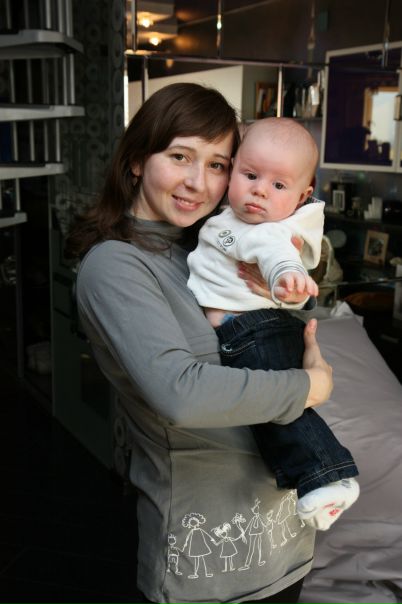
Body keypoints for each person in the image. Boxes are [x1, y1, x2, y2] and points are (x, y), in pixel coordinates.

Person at [65, 83, 333, 604]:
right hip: (207, 565)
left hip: (285, 539)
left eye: (217, 165)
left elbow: (295, 271)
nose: (198, 182)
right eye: (180, 157)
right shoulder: (116, 265)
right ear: (138, 159)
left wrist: (289, 287)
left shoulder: (208, 250)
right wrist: (310, 387)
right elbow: (181, 394)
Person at [187, 118, 359, 531]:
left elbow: (275, 254)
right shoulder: (232, 218)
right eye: (250, 175)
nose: (260, 190)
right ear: (233, 169)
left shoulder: (264, 230)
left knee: (282, 410)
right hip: (257, 326)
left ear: (302, 196)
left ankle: (326, 475)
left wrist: (288, 276)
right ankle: (318, 479)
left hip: (253, 329)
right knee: (272, 411)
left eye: (278, 185)